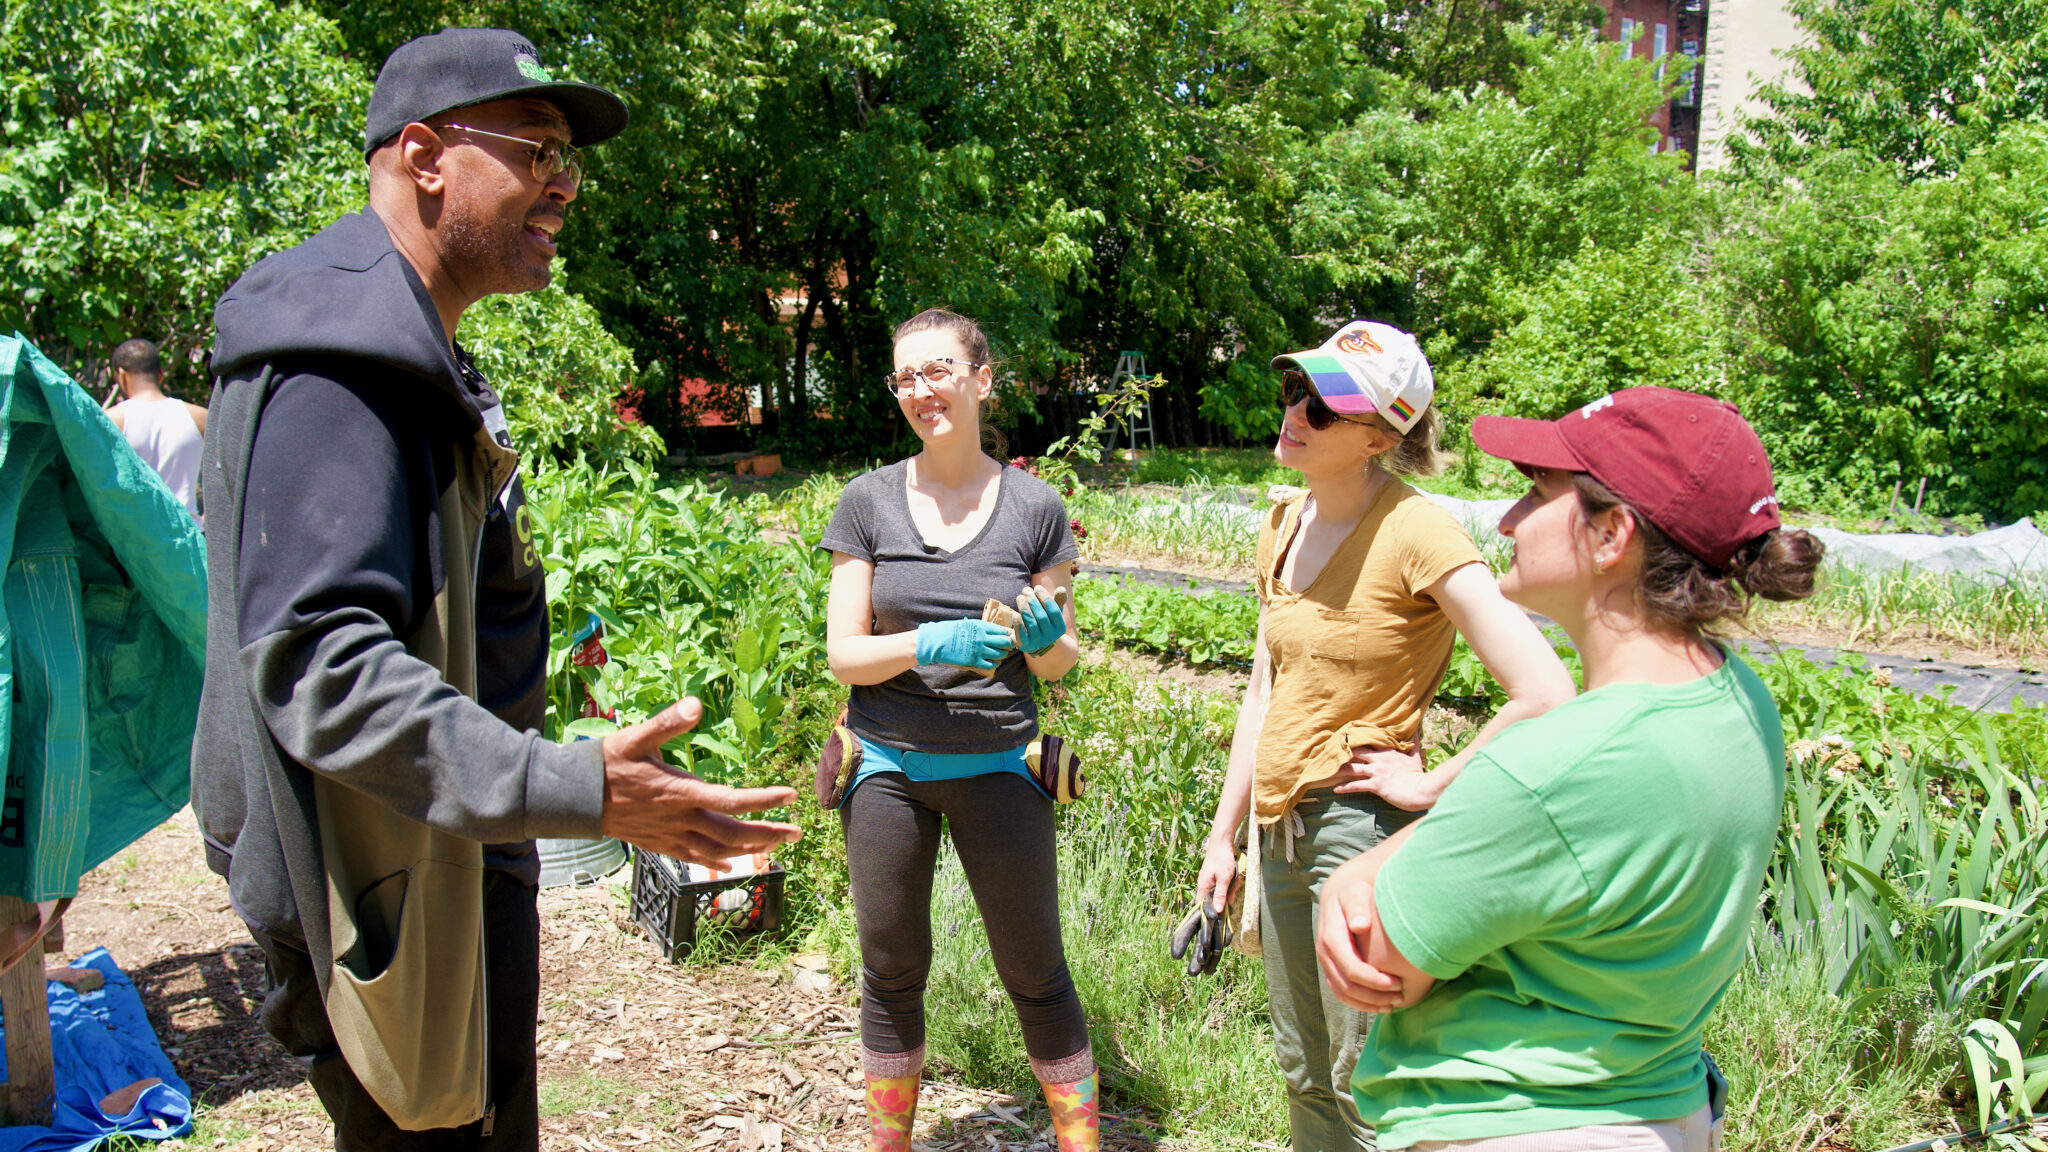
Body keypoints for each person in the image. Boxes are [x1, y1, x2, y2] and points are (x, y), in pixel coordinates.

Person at [192, 28, 802, 1150]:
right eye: (534, 147)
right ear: (424, 155)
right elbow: (321, 664)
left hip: (445, 845)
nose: (563, 183)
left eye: (569, 157)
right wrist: (567, 785)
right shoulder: (343, 365)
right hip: (385, 872)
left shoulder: (408, 343)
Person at [1316, 386, 1825, 1151]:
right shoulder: (1732, 697)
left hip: (1521, 1125)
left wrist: (1349, 885)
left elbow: (1381, 959)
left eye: (1535, 492)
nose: (1508, 519)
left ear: (1612, 532)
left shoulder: (1556, 767)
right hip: (1661, 1108)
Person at [1193, 321, 1577, 1152]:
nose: (1296, 412)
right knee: (1303, 1073)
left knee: (1366, 1081)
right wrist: (1224, 839)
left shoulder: (1417, 532)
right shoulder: (1284, 522)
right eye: (1294, 390)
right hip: (1281, 829)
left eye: (1323, 406)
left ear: (1377, 435)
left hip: (1358, 831)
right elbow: (1265, 689)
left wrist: (1433, 786)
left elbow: (1546, 688)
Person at [820, 308, 1096, 1152]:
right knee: (891, 969)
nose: (919, 391)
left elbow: (1058, 662)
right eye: (904, 378)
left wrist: (1050, 643)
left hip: (1002, 763)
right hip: (886, 767)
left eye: (936, 371)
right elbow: (844, 654)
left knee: (1036, 973)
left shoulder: (1035, 508)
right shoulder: (866, 503)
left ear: (981, 379)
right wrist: (928, 642)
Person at [104, 338, 207, 520]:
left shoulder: (110, 420)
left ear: (121, 375)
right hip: (189, 536)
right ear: (160, 374)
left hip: (134, 538)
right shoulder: (200, 417)